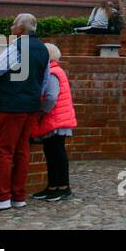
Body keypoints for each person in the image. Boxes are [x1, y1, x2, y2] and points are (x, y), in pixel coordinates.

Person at [0, 13, 49, 211]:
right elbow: (45, 80)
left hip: (11, 105)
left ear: (22, 28)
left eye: (14, 23)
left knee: (4, 151)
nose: (11, 27)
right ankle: (18, 196)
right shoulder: (43, 49)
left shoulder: (16, 46)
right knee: (23, 151)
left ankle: (1, 197)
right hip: (31, 106)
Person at [31, 43, 78, 201]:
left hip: (55, 119)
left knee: (56, 153)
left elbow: (51, 97)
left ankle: (62, 187)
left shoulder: (52, 73)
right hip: (58, 118)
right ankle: (54, 187)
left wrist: (41, 111)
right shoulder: (55, 71)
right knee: (52, 153)